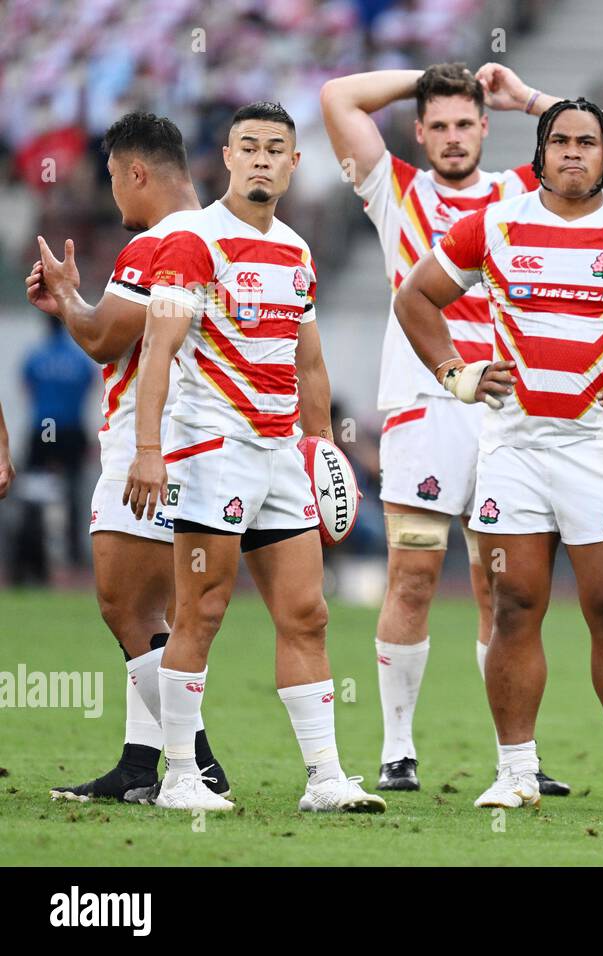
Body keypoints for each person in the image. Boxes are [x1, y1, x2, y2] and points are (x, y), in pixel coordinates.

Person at [394, 96, 603, 813]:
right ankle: (515, 771)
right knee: (513, 606)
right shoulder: (495, 225)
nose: (574, 152)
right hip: (513, 448)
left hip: (601, 449)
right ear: (540, 152)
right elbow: (416, 298)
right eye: (560, 140)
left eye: (588, 143)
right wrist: (456, 372)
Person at [319, 62, 603, 793]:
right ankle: (398, 750)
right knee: (413, 576)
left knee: (502, 590)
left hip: (505, 419)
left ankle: (514, 762)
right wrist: (430, 79)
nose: (454, 137)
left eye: (466, 123)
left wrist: (527, 93)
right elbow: (337, 97)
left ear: (488, 129)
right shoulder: (394, 189)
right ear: (419, 132)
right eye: (439, 124)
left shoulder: (518, 192)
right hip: (425, 411)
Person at [123, 102, 383, 814]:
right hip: (211, 450)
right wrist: (150, 450)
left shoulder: (298, 250)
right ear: (227, 158)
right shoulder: (195, 241)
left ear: (295, 164)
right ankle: (180, 776)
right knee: (201, 611)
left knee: (308, 613)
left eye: (277, 148)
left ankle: (325, 779)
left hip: (279, 455)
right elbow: (158, 351)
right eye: (250, 147)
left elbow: (310, 366)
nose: (263, 158)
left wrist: (324, 447)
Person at [24, 111, 230, 802]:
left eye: (112, 176)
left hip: (152, 446)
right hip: (210, 446)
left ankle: (193, 759)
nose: (112, 192)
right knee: (158, 616)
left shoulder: (158, 245)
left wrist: (66, 300)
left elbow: (106, 340)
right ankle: (142, 766)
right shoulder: (231, 236)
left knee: (124, 609)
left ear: (137, 172)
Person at [20, 314, 96, 573]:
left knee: (35, 489)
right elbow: (90, 387)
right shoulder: (78, 360)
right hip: (71, 429)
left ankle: (33, 549)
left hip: (43, 427)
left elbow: (27, 387)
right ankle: (75, 553)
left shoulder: (36, 356)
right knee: (74, 491)